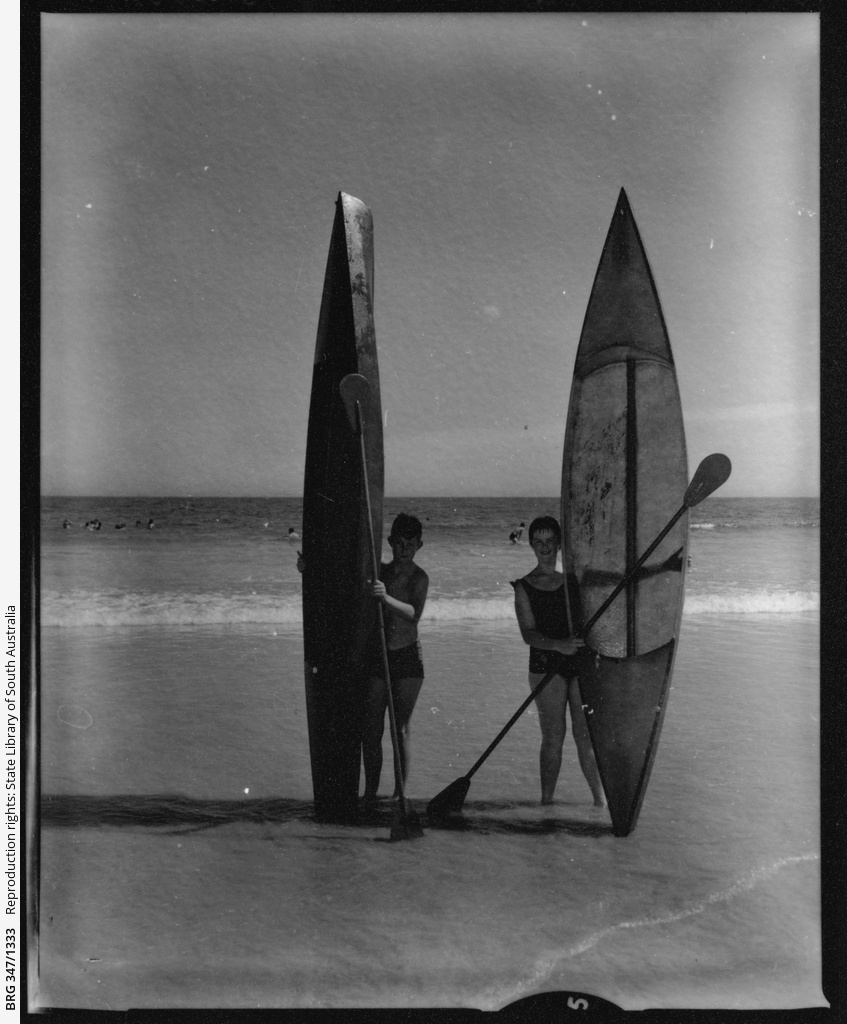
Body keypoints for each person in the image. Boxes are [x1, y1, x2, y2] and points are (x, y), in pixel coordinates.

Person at [512, 516, 606, 809]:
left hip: (577, 665)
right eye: (538, 543)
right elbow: (528, 634)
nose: (545, 548)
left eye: (550, 542)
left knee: (584, 736)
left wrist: (662, 567)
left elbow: (614, 579)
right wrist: (558, 645)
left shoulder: (573, 580)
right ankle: (546, 801)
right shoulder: (524, 586)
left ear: (559, 544)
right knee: (553, 736)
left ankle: (601, 803)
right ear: (531, 546)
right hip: (545, 666)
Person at [362, 513, 429, 807]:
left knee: (399, 729)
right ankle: (370, 792)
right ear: (389, 542)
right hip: (379, 657)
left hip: (408, 658)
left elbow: (414, 613)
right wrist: (307, 569)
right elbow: (346, 577)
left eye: (410, 544)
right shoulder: (381, 571)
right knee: (371, 729)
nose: (404, 550)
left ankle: (399, 794)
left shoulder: (420, 577)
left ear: (419, 545)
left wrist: (385, 598)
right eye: (399, 543)